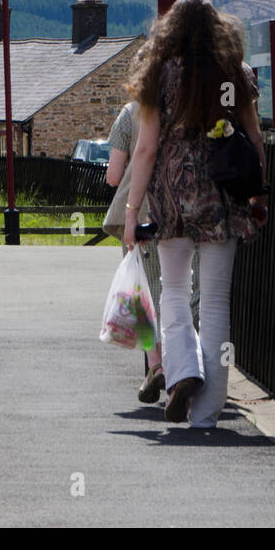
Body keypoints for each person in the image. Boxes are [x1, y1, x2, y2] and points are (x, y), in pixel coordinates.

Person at [123, 0, 269, 427]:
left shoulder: (159, 73)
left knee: (173, 290)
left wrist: (132, 212)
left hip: (171, 194)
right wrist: (258, 194)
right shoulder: (233, 75)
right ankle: (206, 414)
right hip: (222, 194)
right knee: (216, 301)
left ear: (172, 30)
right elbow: (254, 137)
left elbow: (146, 147)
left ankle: (182, 371)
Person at [103, 100, 164, 403]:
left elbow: (114, 175)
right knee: (185, 292)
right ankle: (188, 369)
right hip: (188, 209)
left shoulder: (131, 112)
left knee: (145, 293)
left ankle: (156, 366)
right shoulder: (192, 100)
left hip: (141, 215)